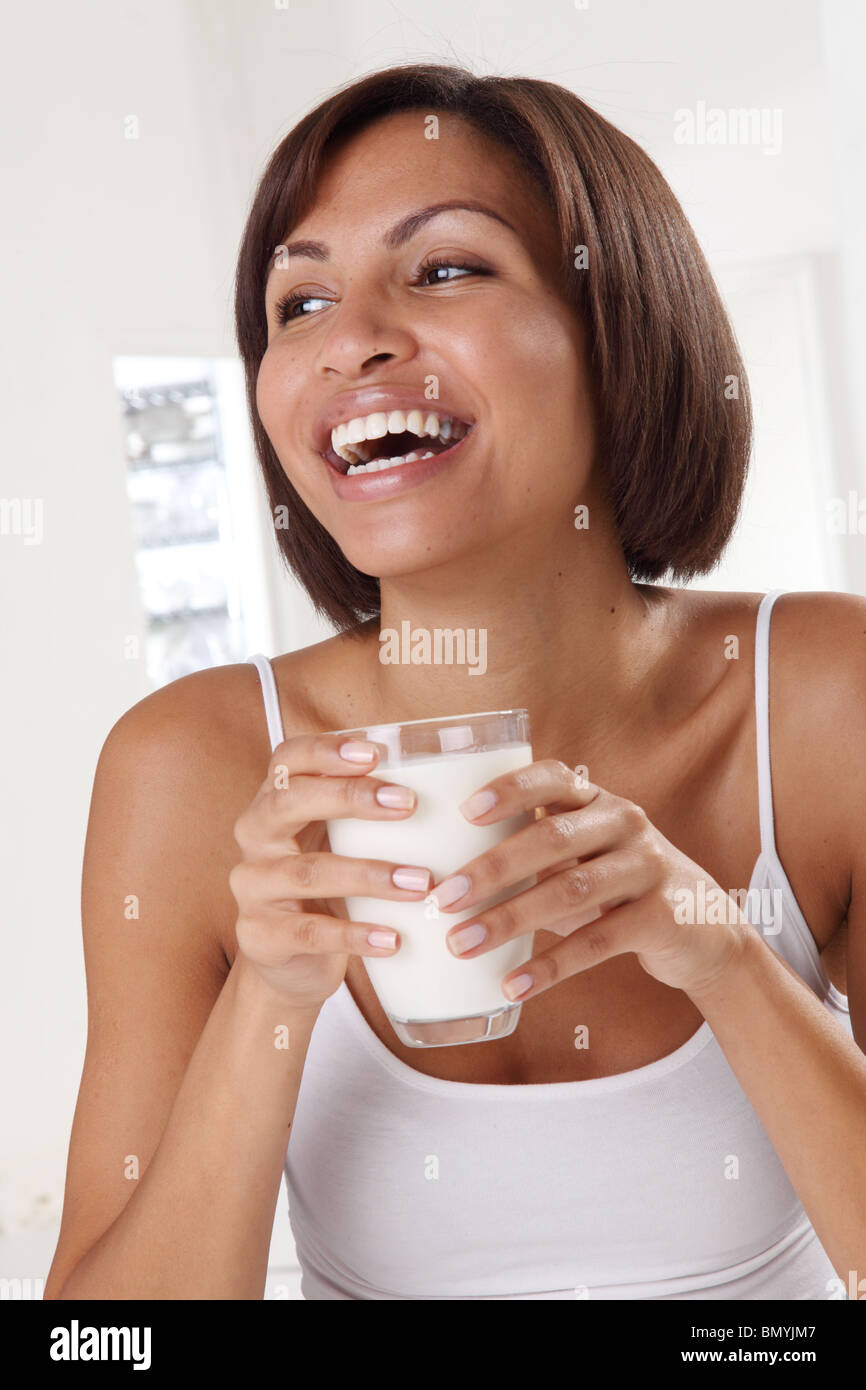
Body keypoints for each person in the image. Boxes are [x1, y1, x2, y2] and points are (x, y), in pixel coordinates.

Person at [45, 63, 865, 1301]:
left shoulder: (818, 698)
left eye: (444, 270)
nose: (353, 341)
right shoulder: (189, 764)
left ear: (615, 327)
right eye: (298, 302)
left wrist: (722, 957)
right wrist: (269, 999)